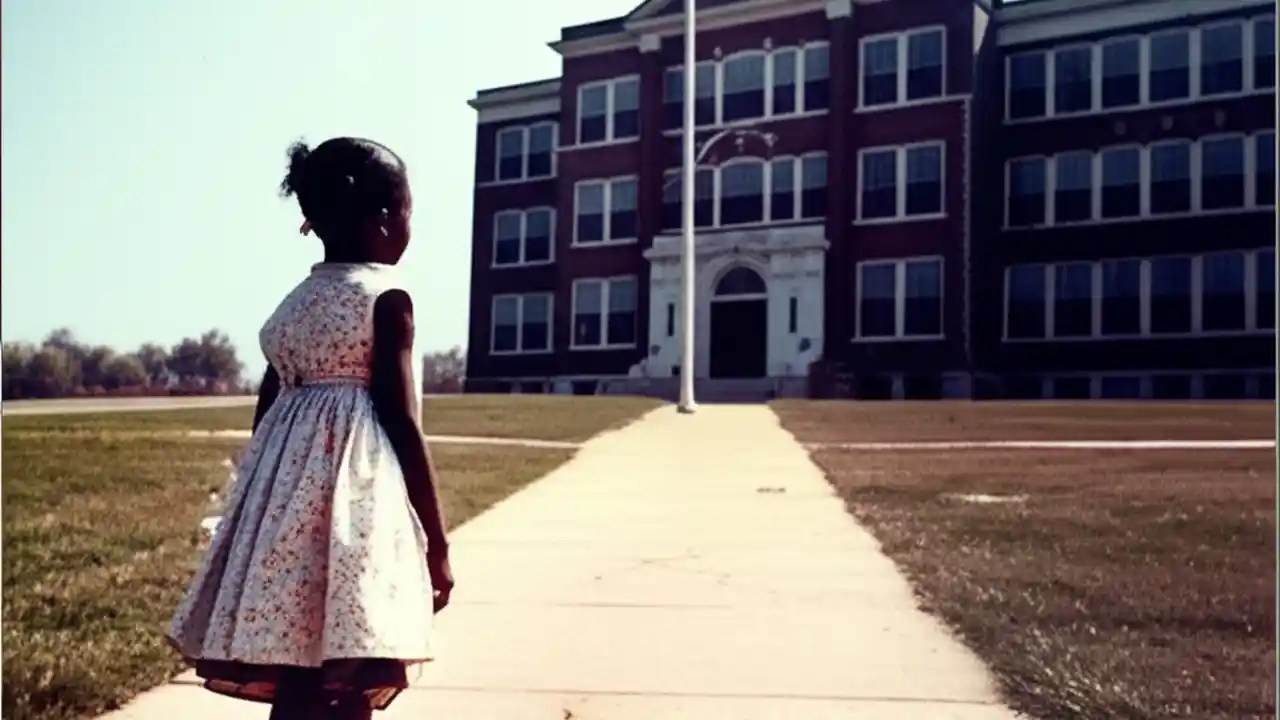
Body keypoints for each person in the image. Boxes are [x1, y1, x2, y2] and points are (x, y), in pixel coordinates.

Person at [168, 137, 454, 719]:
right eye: (405, 213)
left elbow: (267, 413)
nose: (407, 227)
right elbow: (401, 421)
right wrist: (437, 544)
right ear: (380, 223)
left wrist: (253, 503)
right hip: (355, 504)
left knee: (298, 664)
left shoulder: (293, 305)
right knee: (352, 657)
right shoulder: (386, 299)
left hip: (284, 509)